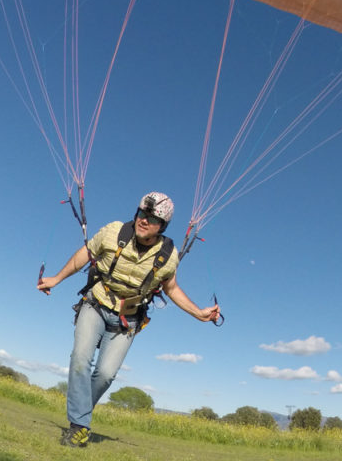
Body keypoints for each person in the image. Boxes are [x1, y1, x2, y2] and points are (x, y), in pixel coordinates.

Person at [37, 192, 220, 448]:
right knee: (80, 358)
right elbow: (85, 254)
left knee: (106, 374)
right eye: (142, 214)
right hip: (96, 304)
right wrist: (56, 279)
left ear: (162, 226)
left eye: (152, 218)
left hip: (128, 319)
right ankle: (80, 426)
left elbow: (172, 288)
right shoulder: (113, 231)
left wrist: (198, 312)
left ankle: (80, 415)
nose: (144, 220)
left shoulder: (168, 255)